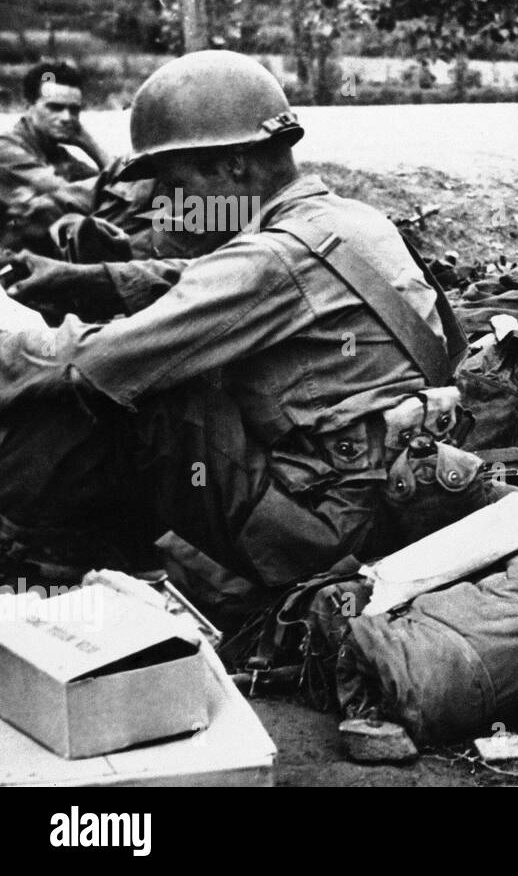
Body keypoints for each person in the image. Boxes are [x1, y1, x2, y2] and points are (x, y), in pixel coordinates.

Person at [0, 50, 466, 598]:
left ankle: (38, 564)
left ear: (233, 165)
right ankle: (94, 555)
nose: (173, 204)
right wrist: (89, 280)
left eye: (177, 183)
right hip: (388, 496)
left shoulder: (273, 258)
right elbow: (204, 278)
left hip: (325, 530)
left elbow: (100, 359)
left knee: (110, 387)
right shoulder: (347, 220)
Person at [0, 61, 110, 252]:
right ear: (29, 107)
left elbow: (119, 185)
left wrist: (89, 144)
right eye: (55, 107)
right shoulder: (6, 150)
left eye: (74, 110)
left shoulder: (57, 154)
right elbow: (70, 197)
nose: (67, 117)